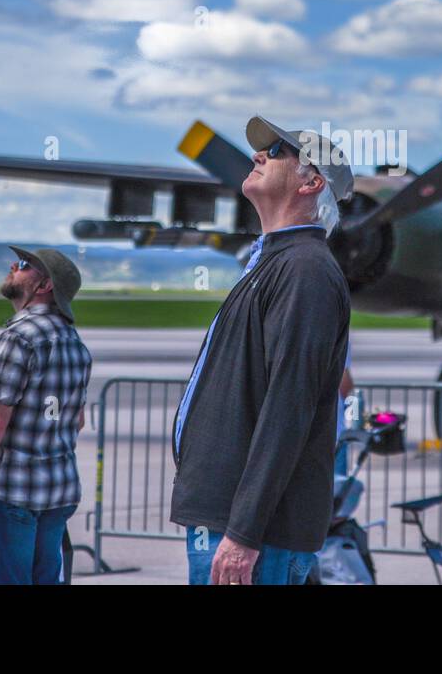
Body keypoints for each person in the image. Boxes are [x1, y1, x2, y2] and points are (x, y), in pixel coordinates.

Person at [171, 115, 353, 585]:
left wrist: (244, 533)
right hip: (231, 521)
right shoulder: (274, 263)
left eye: (276, 153)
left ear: (311, 182)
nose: (256, 155)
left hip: (255, 534)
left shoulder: (305, 271)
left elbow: (287, 408)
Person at [0, 246, 91, 585]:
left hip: (12, 493)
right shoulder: (74, 343)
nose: (14, 266)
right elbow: (77, 420)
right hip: (58, 492)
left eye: (25, 265)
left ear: (44, 285)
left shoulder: (18, 338)